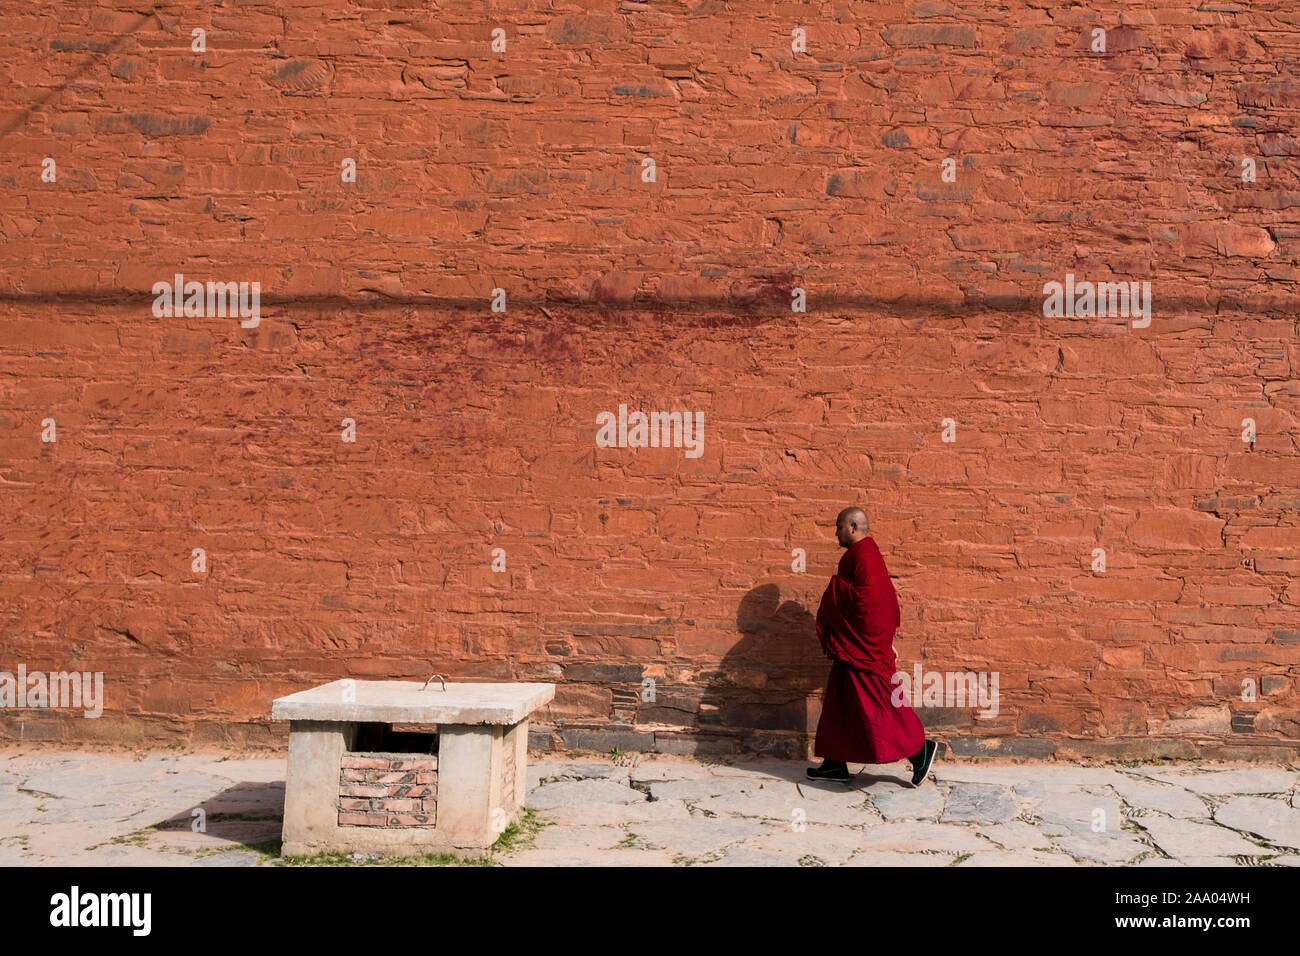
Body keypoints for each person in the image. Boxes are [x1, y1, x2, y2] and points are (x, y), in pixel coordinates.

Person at [807, 506, 937, 786]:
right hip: (855, 646)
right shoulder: (863, 556)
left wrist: (834, 595)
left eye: (839, 526)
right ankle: (834, 762)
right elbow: (882, 602)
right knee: (839, 703)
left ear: (853, 527)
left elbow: (872, 604)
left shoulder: (865, 557)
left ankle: (920, 751)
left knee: (879, 703)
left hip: (864, 650)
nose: (835, 532)